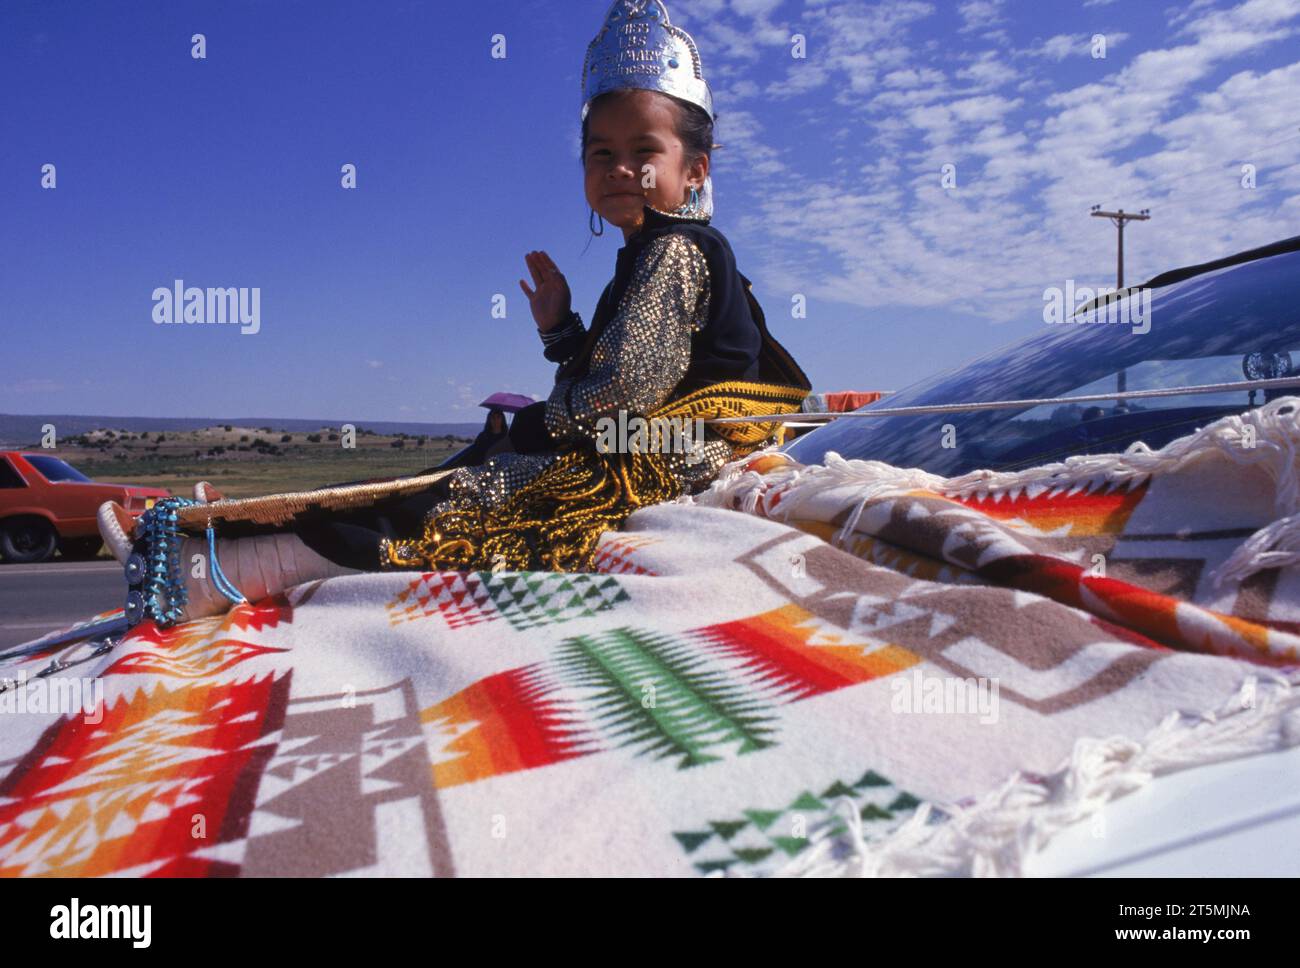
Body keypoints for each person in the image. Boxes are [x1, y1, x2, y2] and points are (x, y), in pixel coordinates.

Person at [98, 0, 811, 626]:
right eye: (602, 152)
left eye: (643, 151)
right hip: (636, 440)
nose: (620, 167)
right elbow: (617, 383)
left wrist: (540, 420)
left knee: (470, 493)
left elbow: (619, 399)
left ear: (696, 169)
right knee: (471, 464)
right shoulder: (653, 250)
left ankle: (216, 567)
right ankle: (215, 538)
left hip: (671, 456)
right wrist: (560, 330)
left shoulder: (676, 251)